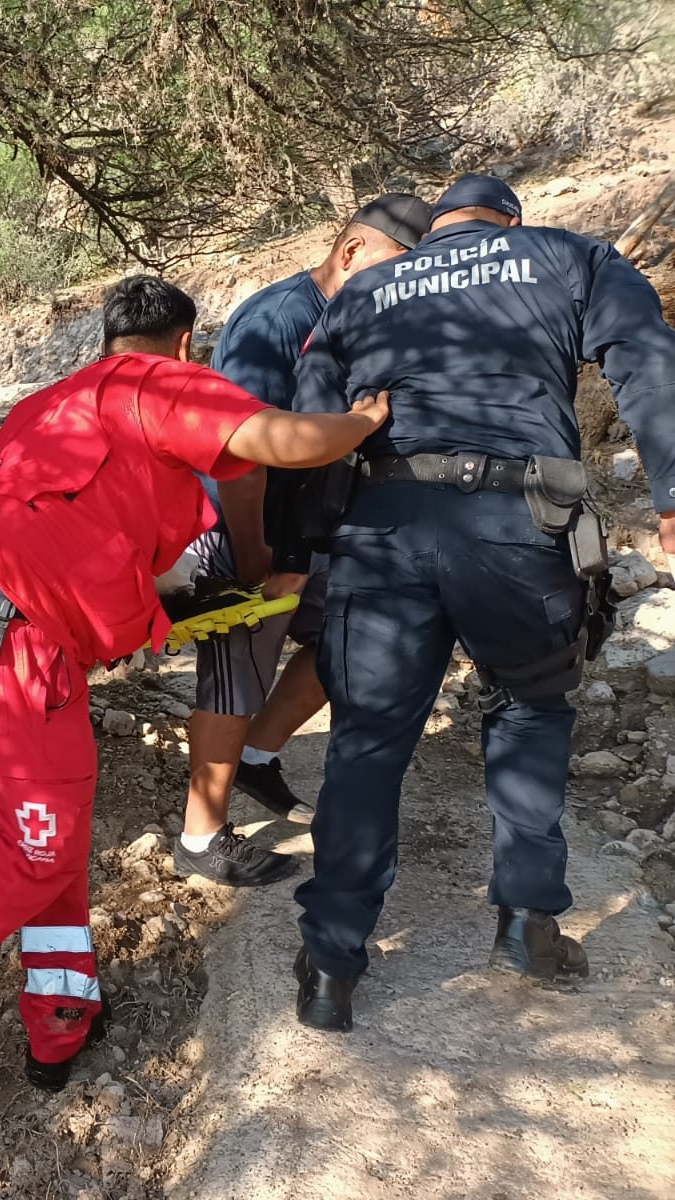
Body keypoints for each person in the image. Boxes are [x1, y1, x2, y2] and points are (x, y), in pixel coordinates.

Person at [0, 275, 390, 1093]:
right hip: (13, 628)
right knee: (39, 845)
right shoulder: (158, 381)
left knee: (52, 825)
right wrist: (363, 420)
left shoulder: (49, 403)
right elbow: (282, 441)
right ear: (184, 343)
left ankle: (60, 1018)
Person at [287, 174, 675, 1032]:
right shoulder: (569, 257)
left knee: (368, 739)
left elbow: (310, 417)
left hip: (384, 529)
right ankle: (529, 927)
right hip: (519, 522)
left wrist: (301, 546)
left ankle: (332, 966)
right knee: (531, 712)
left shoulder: (364, 290)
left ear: (436, 231)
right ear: (509, 220)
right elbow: (645, 355)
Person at [176, 194, 433, 886]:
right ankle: (200, 837)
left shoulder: (360, 319)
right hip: (244, 534)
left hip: (313, 533)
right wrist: (259, 558)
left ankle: (256, 757)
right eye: (398, 266)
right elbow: (239, 453)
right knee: (234, 680)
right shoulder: (278, 320)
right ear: (351, 252)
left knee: (342, 644)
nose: (404, 285)